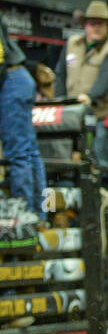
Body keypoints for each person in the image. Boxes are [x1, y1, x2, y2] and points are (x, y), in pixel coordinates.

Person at [54, 1, 108, 173]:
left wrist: (90, 96)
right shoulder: (72, 44)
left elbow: (105, 82)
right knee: (69, 155)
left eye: (101, 24)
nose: (96, 27)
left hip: (100, 114)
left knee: (101, 155)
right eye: (92, 23)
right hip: (72, 113)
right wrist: (59, 101)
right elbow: (61, 73)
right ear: (85, 24)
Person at [0, 13, 45, 215]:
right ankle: (37, 214)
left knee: (19, 152)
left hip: (10, 81)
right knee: (28, 151)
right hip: (18, 78)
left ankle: (23, 213)